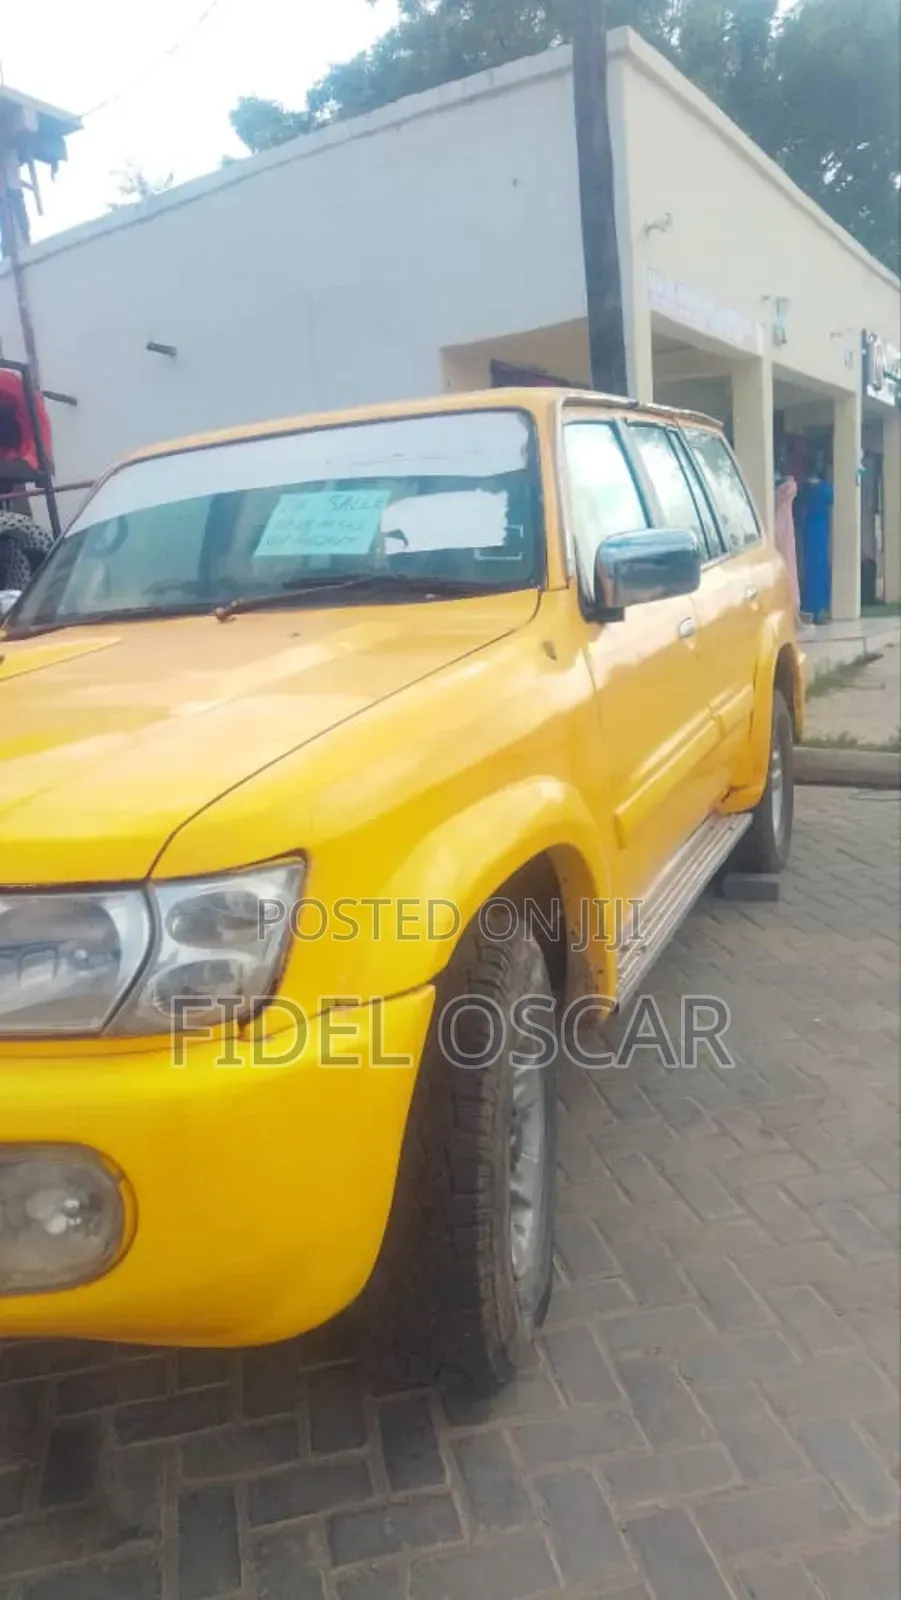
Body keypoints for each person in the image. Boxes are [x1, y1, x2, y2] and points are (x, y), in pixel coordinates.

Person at [799, 459, 834, 623]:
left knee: (809, 567)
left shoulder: (805, 489)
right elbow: (832, 499)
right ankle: (818, 609)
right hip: (821, 527)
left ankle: (810, 607)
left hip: (808, 527)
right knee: (820, 567)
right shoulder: (825, 488)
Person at [774, 473, 800, 617]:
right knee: (784, 559)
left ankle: (792, 607)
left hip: (786, 522)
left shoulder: (784, 482)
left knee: (789, 559)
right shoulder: (783, 485)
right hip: (780, 522)